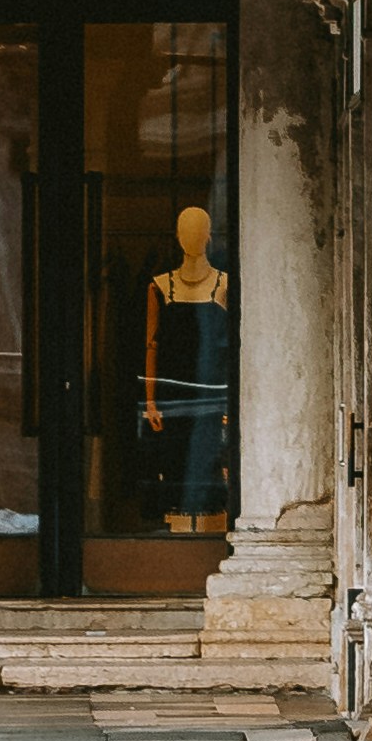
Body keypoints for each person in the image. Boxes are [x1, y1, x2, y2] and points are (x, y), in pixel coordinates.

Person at [137, 196, 233, 527]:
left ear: (209, 235)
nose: (192, 237)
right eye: (185, 231)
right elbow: (151, 345)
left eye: (198, 231)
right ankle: (178, 535)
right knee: (175, 467)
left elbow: (231, 346)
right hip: (172, 398)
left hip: (210, 395)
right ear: (178, 237)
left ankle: (207, 533)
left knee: (209, 468)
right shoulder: (161, 286)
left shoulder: (223, 284)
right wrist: (150, 400)